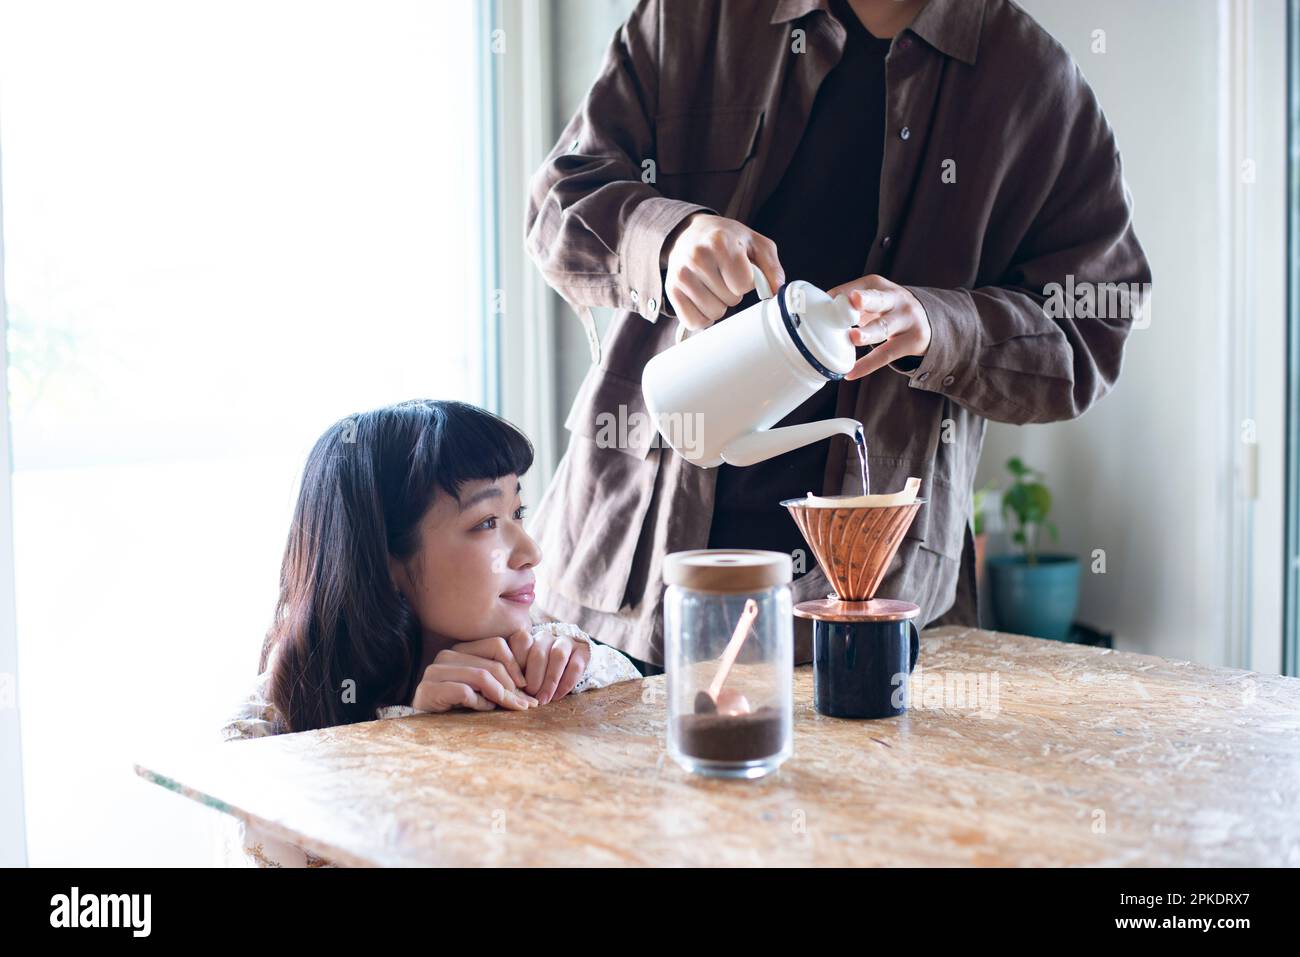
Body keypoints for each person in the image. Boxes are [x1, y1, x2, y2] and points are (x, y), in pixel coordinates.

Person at [524, 0, 1151, 673]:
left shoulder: (1032, 82)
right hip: (624, 582)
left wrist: (939, 327)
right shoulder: (692, 18)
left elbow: (1094, 325)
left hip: (866, 607)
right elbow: (556, 204)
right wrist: (666, 240)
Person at [218, 399, 641, 866]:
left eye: (518, 512)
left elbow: (646, 774)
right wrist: (416, 738)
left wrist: (586, 669)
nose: (530, 551)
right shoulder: (266, 734)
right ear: (384, 559)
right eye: (486, 523)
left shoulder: (539, 651)